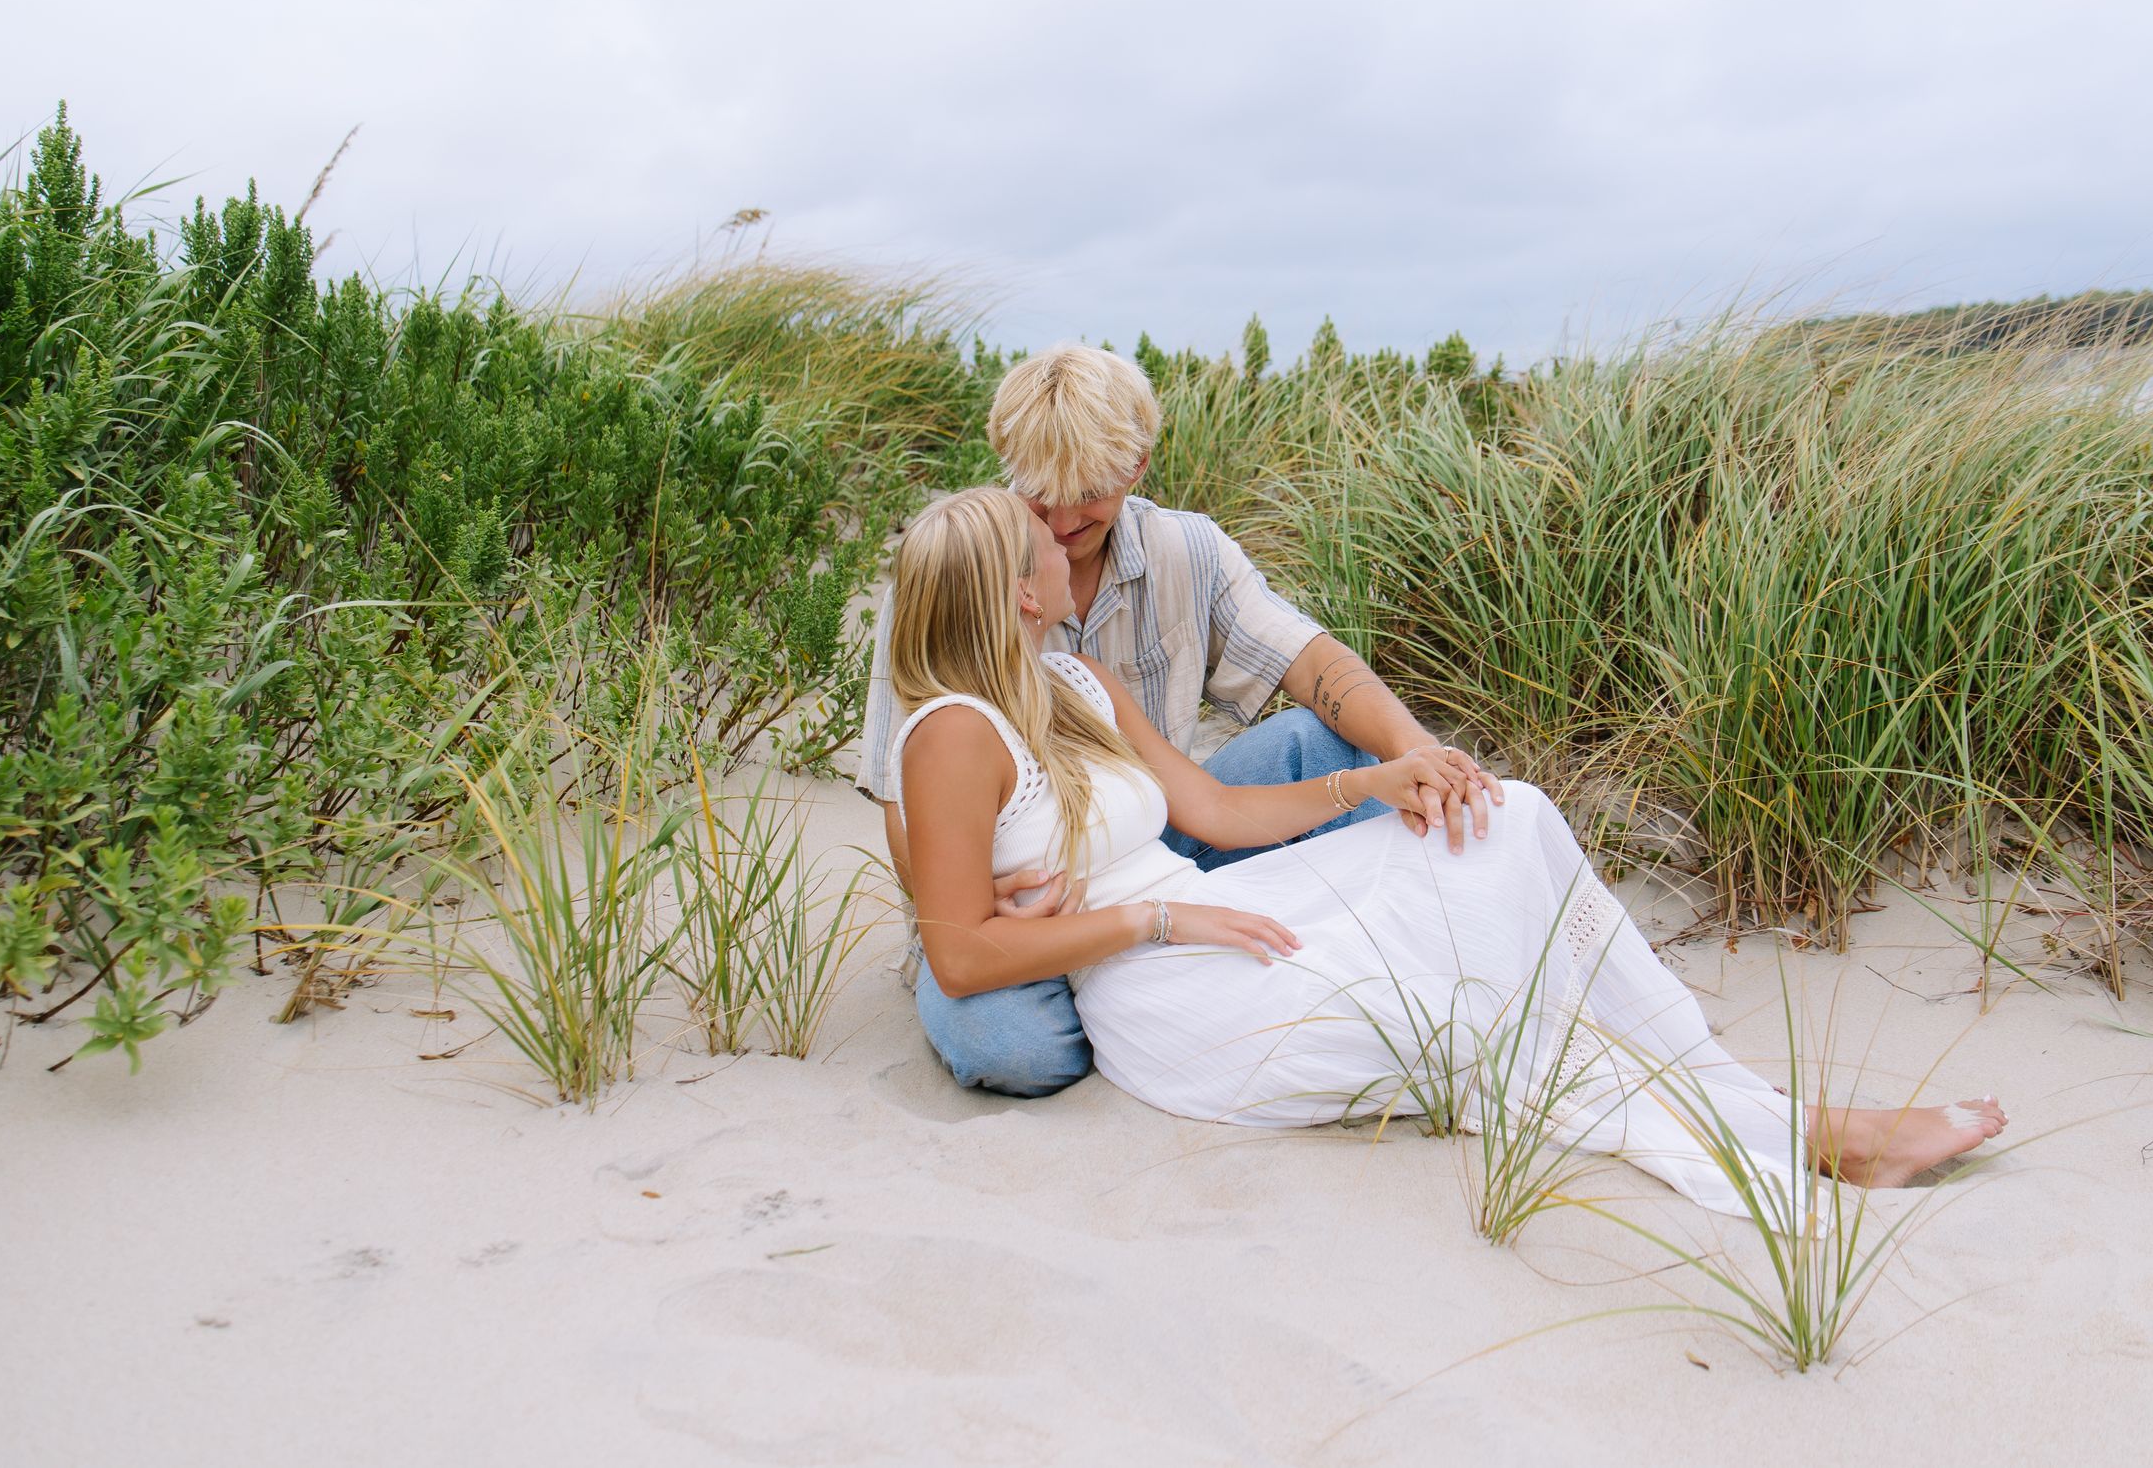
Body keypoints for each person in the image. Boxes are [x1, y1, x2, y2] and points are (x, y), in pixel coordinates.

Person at [887, 486, 2009, 1221]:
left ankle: (1734, 1090)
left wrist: (1371, 782)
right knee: (1445, 1012)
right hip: (1154, 981)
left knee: (1509, 820)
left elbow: (1215, 814)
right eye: (1039, 535)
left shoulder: (1072, 678)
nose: (1062, 533)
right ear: (1020, 590)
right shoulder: (951, 732)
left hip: (1216, 905)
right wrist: (1157, 919)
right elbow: (962, 954)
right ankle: (1811, 1133)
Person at [859, 343, 1497, 1097]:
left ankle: (1386, 930)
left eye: (1086, 492)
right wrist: (979, 906)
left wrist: (1413, 756)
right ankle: (1127, 997)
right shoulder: (956, 568)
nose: (1062, 521)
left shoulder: (1179, 556)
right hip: (1013, 892)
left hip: (1150, 831)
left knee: (1317, 742)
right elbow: (905, 809)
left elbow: (1307, 662)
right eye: (1038, 496)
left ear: (1136, 467)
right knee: (1009, 1048)